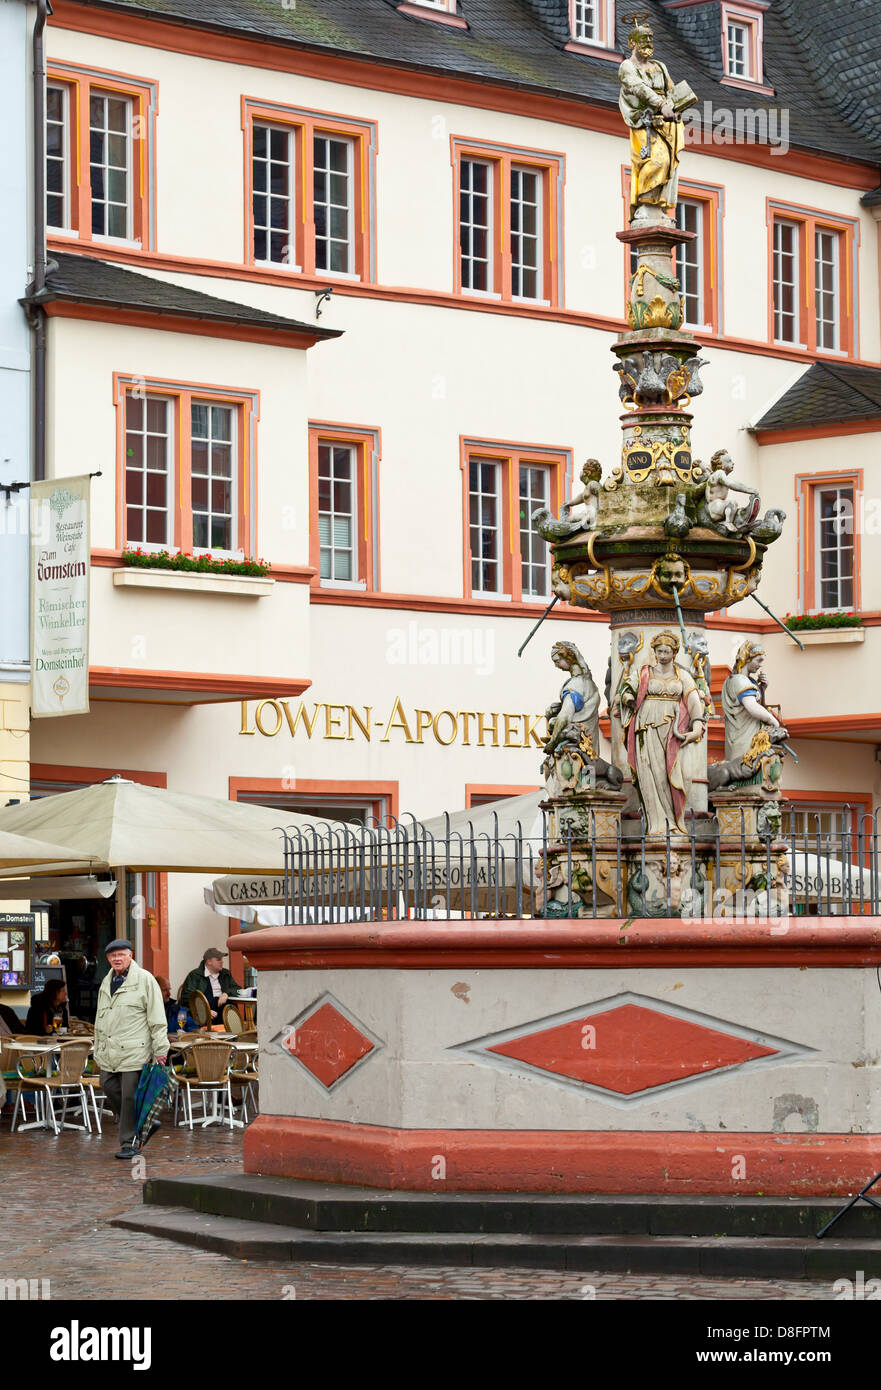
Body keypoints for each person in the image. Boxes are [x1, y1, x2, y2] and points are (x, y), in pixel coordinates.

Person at [615, 631, 706, 835]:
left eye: (667, 651)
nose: (663, 655)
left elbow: (693, 699)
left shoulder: (682, 674)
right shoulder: (644, 672)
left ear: (674, 653)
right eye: (659, 651)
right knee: (650, 773)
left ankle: (675, 820)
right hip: (646, 726)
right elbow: (626, 690)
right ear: (654, 652)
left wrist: (698, 725)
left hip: (674, 729)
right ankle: (657, 824)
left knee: (675, 773)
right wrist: (629, 698)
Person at [93, 939, 168, 1159]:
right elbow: (100, 1018)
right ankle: (145, 1122)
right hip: (110, 1052)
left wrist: (161, 1048)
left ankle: (129, 1143)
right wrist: (98, 1047)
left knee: (128, 1097)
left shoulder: (144, 980)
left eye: (121, 955)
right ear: (108, 959)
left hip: (136, 1050)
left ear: (130, 955)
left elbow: (157, 1018)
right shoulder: (106, 982)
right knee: (107, 1086)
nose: (117, 959)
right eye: (112, 956)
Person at [180, 948, 241, 1025]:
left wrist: (226, 994)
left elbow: (237, 989)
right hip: (203, 1010)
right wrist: (204, 1010)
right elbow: (187, 997)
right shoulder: (194, 975)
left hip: (224, 1009)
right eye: (218, 959)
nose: (222, 962)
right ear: (209, 962)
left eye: (222, 959)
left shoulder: (226, 973)